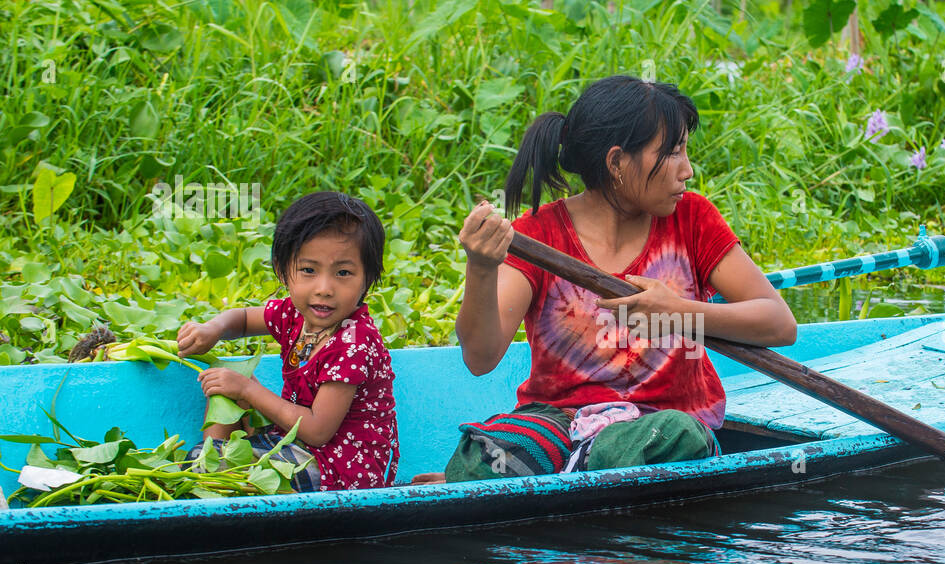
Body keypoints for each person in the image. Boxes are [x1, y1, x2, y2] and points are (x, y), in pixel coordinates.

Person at [434, 75, 796, 483]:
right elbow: (480, 359)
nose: (688, 171)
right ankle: (581, 467)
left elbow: (779, 324)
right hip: (559, 421)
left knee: (678, 439)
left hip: (658, 424)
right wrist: (480, 269)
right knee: (480, 455)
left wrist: (676, 311)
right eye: (673, 153)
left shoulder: (692, 219)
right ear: (617, 162)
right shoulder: (539, 234)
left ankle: (575, 473)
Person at [176, 192, 399, 491]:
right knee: (227, 385)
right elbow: (241, 319)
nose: (324, 289)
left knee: (237, 391)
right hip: (293, 440)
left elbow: (318, 431)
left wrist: (247, 390)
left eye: (343, 273)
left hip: (338, 467)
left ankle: (210, 472)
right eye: (308, 270)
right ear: (284, 271)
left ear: (367, 279)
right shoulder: (293, 314)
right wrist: (212, 329)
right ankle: (213, 460)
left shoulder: (353, 342)